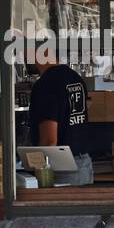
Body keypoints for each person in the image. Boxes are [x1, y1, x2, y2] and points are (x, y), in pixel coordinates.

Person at [28, 46, 93, 186]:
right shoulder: (75, 77)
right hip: (84, 163)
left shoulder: (45, 85)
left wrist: (36, 169)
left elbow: (49, 141)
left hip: (61, 168)